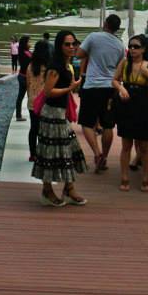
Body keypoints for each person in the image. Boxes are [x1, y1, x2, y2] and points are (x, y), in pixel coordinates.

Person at [31, 30, 87, 206]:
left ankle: (68, 188)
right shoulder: (55, 67)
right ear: (59, 46)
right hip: (52, 114)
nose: (71, 47)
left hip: (60, 113)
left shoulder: (65, 65)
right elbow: (48, 92)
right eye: (67, 44)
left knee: (67, 150)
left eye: (73, 44)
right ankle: (48, 190)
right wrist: (70, 88)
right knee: (52, 152)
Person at [113, 33, 148, 192]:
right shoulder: (124, 63)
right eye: (131, 46)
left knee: (143, 144)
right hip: (127, 102)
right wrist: (121, 87)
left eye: (136, 47)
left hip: (143, 104)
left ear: (143, 49)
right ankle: (124, 176)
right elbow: (114, 79)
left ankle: (146, 177)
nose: (133, 49)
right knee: (126, 143)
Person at [77, 13, 124, 172]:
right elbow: (120, 68)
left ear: (105, 23)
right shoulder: (119, 45)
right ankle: (104, 156)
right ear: (117, 28)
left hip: (91, 86)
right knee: (108, 124)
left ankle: (96, 153)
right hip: (110, 87)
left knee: (86, 123)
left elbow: (79, 54)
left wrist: (92, 53)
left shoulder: (94, 37)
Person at [26, 40, 51, 161]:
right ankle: (42, 152)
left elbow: (28, 84)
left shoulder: (30, 66)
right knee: (44, 128)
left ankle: (32, 154)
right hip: (45, 101)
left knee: (33, 128)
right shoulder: (49, 67)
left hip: (32, 101)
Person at [15, 35, 31, 121]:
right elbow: (27, 65)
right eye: (28, 42)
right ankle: (18, 115)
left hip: (24, 77)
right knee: (22, 96)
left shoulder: (26, 52)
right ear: (25, 43)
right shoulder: (23, 53)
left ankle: (18, 115)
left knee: (22, 96)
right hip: (23, 77)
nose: (30, 44)